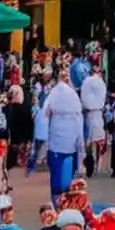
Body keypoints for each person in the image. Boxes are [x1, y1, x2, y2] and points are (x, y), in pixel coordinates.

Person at [43, 68, 85, 200]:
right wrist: (80, 145)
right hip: (70, 145)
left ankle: (57, 204)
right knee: (67, 180)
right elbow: (79, 123)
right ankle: (66, 203)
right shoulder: (74, 97)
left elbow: (44, 116)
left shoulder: (53, 95)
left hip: (55, 145)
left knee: (56, 179)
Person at [80, 61, 107, 178]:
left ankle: (90, 161)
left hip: (89, 114)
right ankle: (95, 164)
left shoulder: (87, 82)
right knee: (97, 140)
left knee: (89, 140)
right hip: (98, 113)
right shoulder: (101, 83)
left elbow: (84, 99)